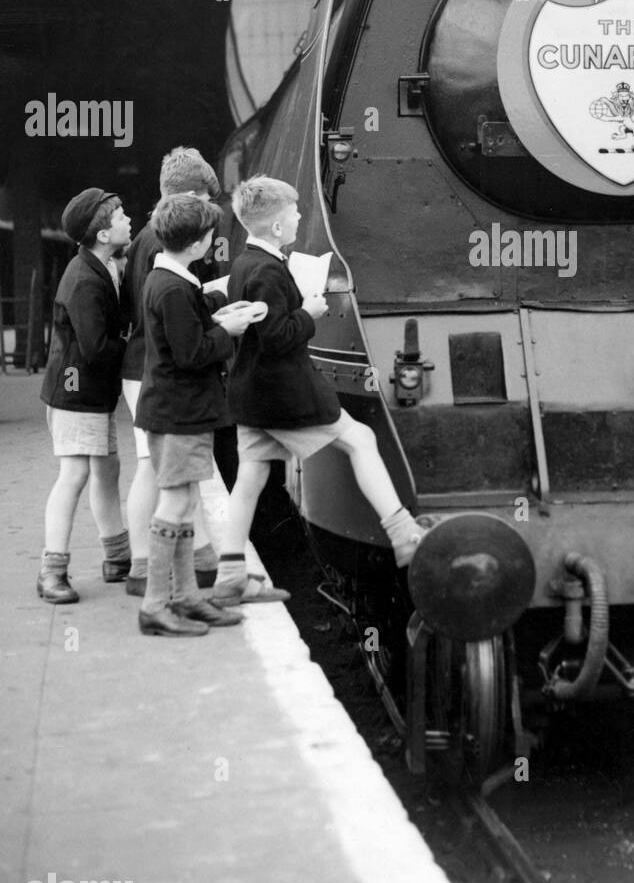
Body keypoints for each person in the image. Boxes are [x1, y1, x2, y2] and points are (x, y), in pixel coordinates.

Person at [214, 176, 425, 606]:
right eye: (293, 213)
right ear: (275, 226)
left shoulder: (245, 263)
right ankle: (403, 535)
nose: (298, 218)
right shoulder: (268, 271)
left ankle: (231, 574)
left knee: (250, 479)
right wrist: (309, 312)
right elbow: (277, 337)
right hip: (284, 395)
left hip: (252, 394)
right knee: (360, 440)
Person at [134, 194, 255, 636]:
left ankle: (185, 598)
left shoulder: (166, 278)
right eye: (209, 235)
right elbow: (191, 355)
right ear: (198, 242)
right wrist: (228, 331)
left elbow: (181, 337)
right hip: (179, 411)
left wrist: (216, 317)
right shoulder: (172, 288)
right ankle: (154, 604)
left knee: (183, 505)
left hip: (174, 409)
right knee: (176, 503)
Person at [121, 147, 230, 597]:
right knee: (154, 469)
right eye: (203, 201)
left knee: (171, 475)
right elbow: (170, 318)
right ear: (186, 197)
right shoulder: (156, 245)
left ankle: (196, 563)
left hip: (151, 364)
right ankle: (143, 569)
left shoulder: (148, 239)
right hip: (153, 369)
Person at [38, 189, 133, 603]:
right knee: (74, 475)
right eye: (121, 217)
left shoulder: (102, 265)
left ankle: (116, 557)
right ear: (102, 233)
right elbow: (95, 349)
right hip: (75, 393)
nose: (129, 220)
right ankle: (51, 571)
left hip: (89, 394)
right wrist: (140, 348)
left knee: (107, 468)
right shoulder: (83, 280)